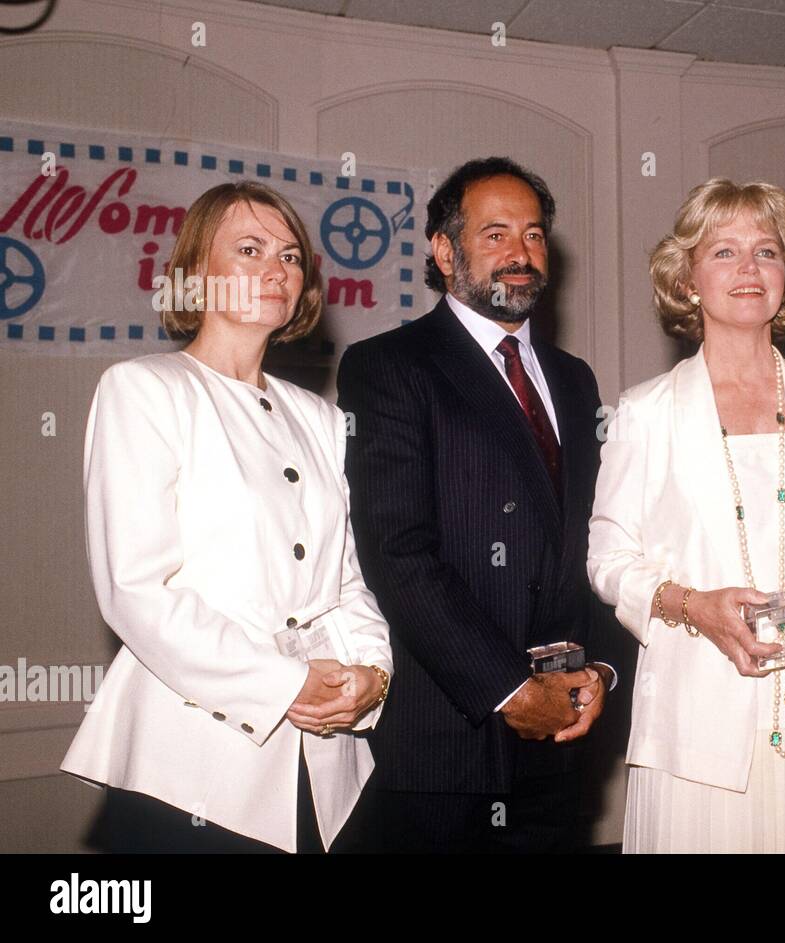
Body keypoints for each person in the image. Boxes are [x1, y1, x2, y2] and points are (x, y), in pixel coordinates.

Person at [62, 181, 393, 853]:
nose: (279, 268)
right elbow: (137, 590)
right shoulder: (145, 389)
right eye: (250, 249)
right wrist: (283, 684)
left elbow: (346, 581)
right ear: (195, 275)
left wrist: (372, 674)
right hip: (190, 768)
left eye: (292, 255)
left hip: (327, 770)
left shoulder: (323, 417)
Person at [588, 178, 785, 853]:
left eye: (767, 252)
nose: (749, 269)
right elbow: (608, 556)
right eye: (724, 251)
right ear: (687, 278)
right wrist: (693, 606)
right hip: (696, 723)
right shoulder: (646, 411)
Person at [337, 157, 615, 853]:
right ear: (444, 249)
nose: (520, 254)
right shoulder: (389, 367)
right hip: (445, 751)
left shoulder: (576, 382)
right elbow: (397, 554)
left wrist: (602, 671)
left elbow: (600, 542)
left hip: (560, 745)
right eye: (495, 234)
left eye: (533, 234)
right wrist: (510, 689)